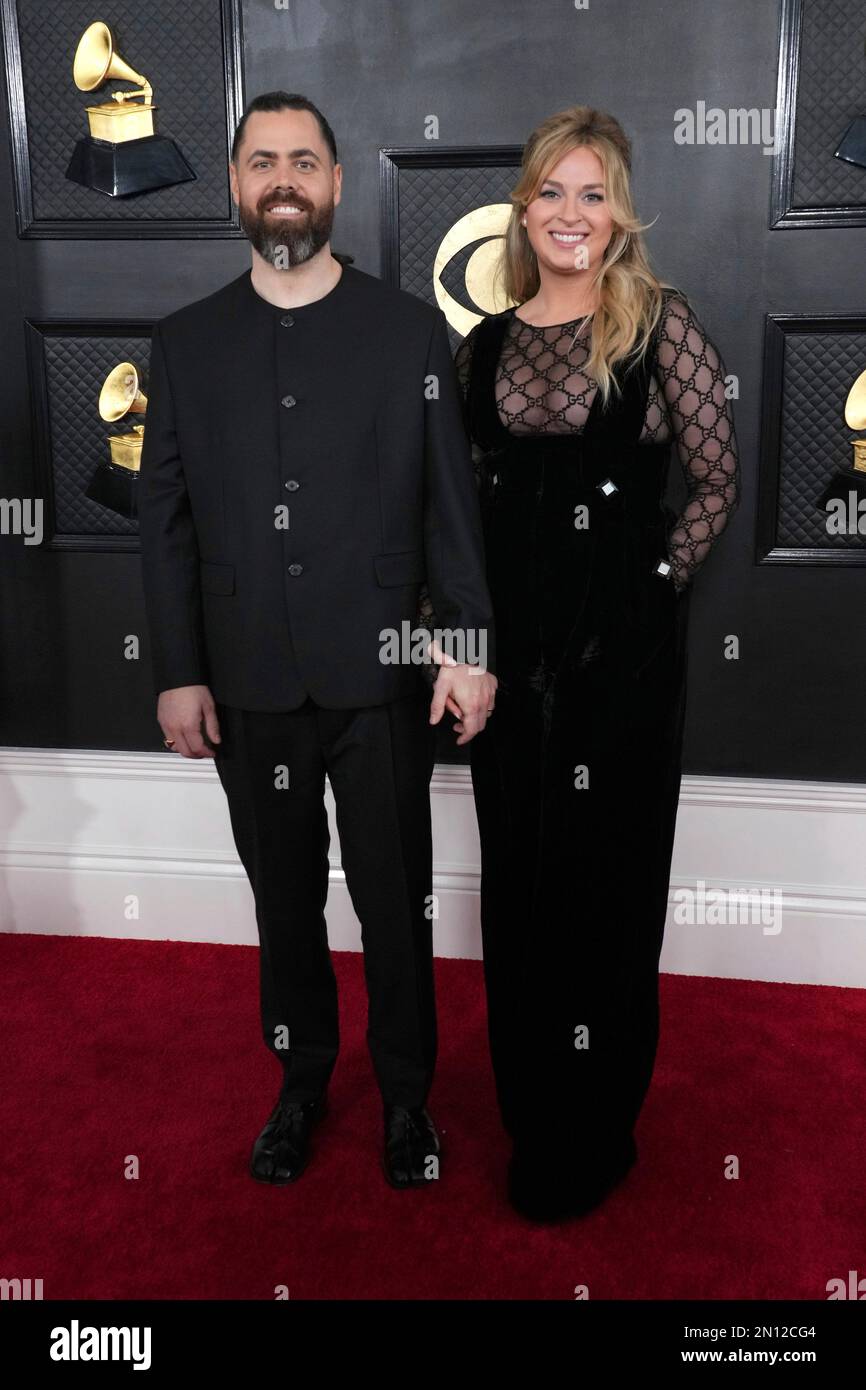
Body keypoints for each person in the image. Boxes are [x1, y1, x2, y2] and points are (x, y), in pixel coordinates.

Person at [137, 91, 497, 1192]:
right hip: (244, 679)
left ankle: (404, 1101)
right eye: (260, 161)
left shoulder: (405, 332)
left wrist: (467, 647)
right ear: (238, 187)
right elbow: (167, 523)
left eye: (302, 159)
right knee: (281, 903)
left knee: (394, 901)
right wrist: (178, 672)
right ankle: (298, 1088)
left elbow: (450, 506)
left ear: (337, 184)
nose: (281, 177)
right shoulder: (186, 344)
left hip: (382, 676)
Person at [438, 105, 740, 1221]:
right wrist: (457, 646)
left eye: (592, 192)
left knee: (604, 893)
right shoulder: (478, 348)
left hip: (622, 664)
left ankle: (596, 1125)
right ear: (522, 210)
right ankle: (533, 1119)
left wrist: (648, 590)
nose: (570, 213)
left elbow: (715, 485)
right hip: (510, 668)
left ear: (617, 215)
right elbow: (456, 523)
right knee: (517, 889)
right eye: (551, 192)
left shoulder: (661, 328)